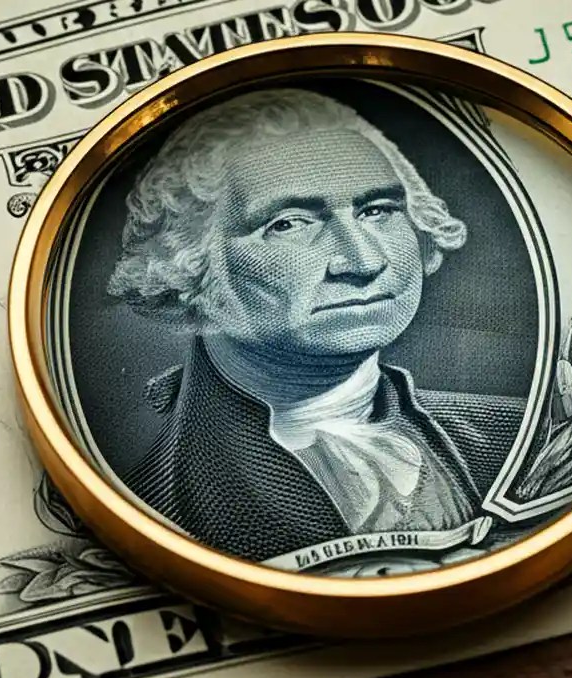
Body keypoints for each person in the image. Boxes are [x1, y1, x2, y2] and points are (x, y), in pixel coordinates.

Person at [104, 87, 526, 564]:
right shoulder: (158, 509)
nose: (363, 261)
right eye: (289, 223)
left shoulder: (515, 433)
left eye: (378, 211)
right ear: (187, 266)